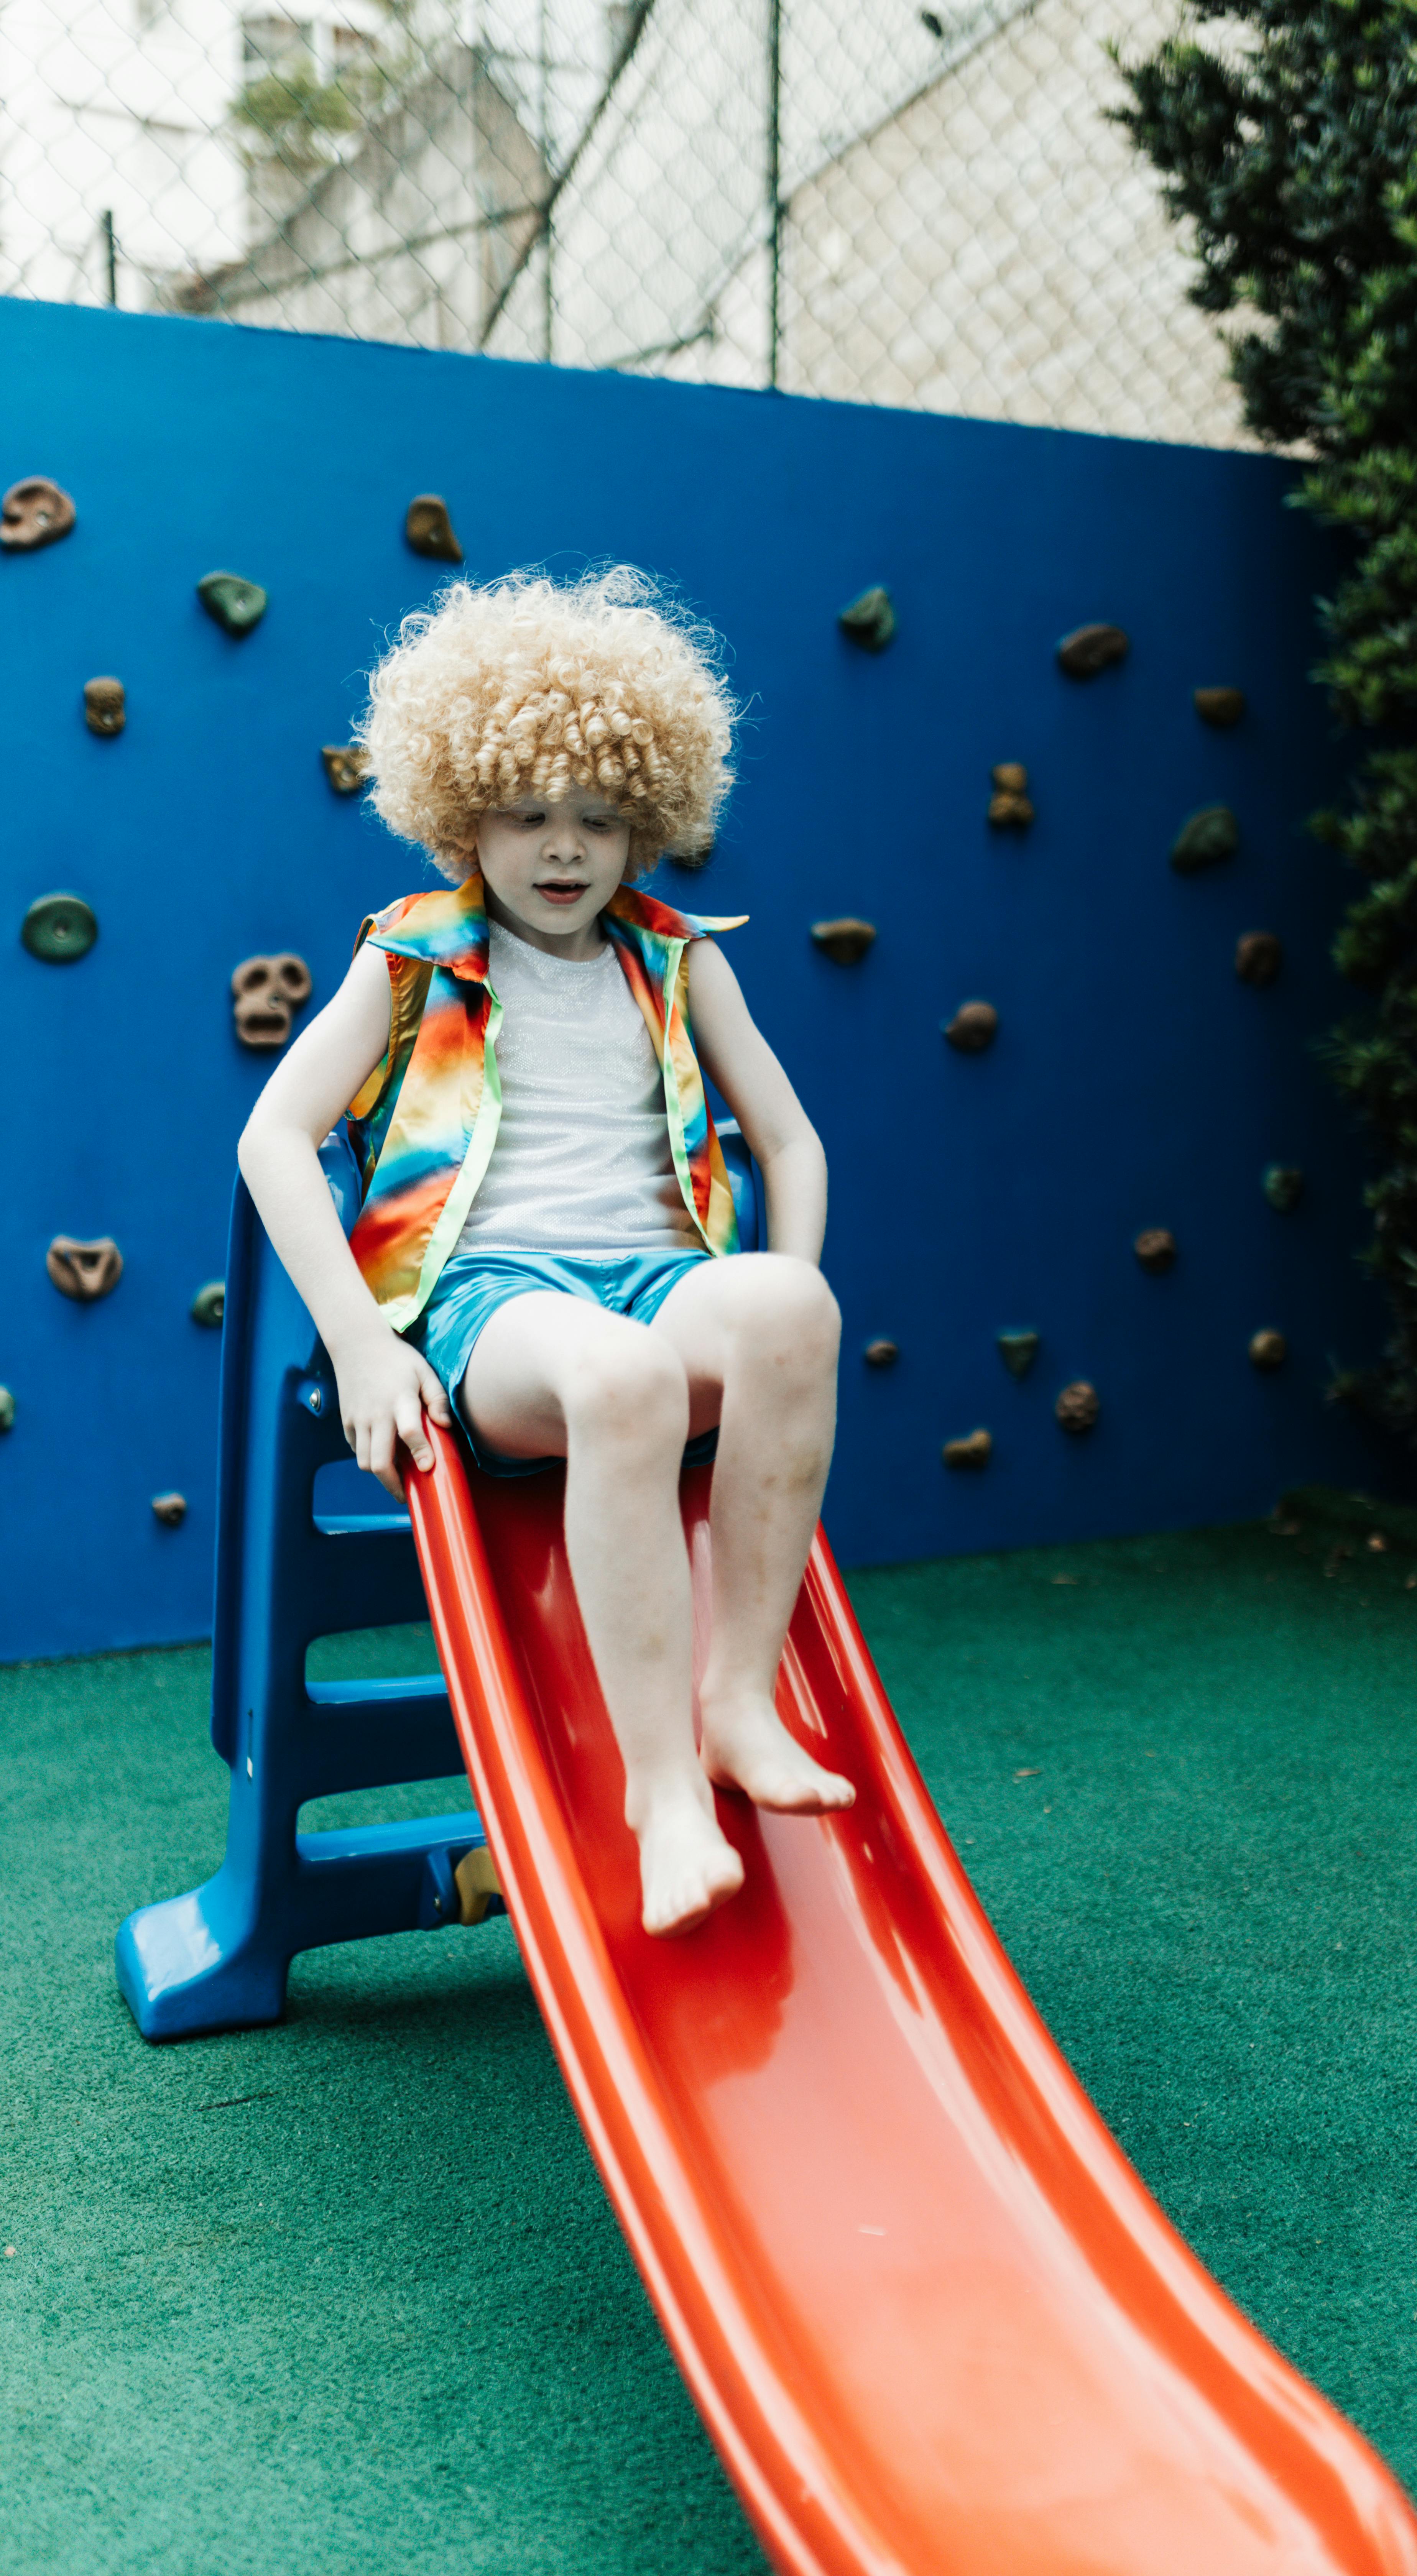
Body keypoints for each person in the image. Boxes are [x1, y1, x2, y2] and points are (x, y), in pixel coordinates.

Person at [238, 568, 852, 1939]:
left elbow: (792, 1144)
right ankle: (661, 1792)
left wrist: (788, 1299)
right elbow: (274, 1138)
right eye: (527, 815)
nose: (565, 850)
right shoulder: (412, 958)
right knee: (624, 1378)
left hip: (660, 1281)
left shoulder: (678, 961)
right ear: (464, 814)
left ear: (650, 821)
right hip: (494, 1301)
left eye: (600, 818)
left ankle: (738, 1702)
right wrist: (362, 1345)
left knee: (791, 1313)